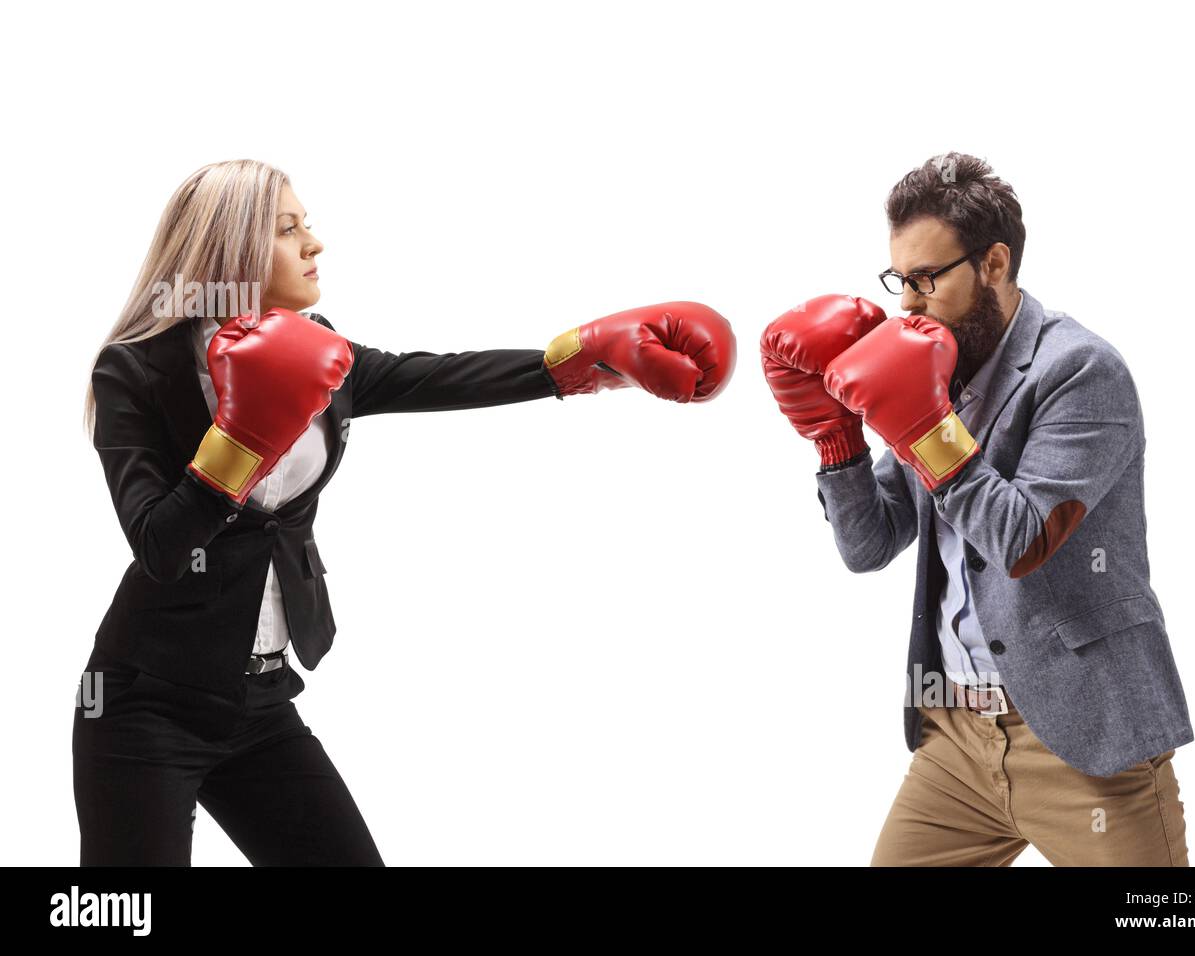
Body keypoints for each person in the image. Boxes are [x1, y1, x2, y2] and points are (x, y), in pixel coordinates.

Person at [73, 158, 736, 865]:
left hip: (258, 700)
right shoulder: (137, 367)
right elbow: (159, 545)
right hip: (143, 702)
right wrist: (238, 441)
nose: (314, 244)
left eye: (309, 226)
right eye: (289, 228)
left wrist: (585, 360)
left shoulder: (315, 350)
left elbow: (436, 373)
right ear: (229, 247)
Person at [760, 152, 1192, 866]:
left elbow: (1023, 541)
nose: (907, 305)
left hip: (1081, 735)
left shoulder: (1081, 372)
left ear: (994, 263)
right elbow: (869, 547)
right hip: (957, 735)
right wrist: (834, 439)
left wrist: (925, 424)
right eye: (899, 280)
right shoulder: (934, 367)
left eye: (927, 279)